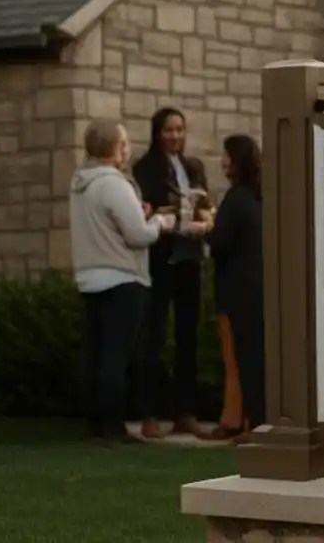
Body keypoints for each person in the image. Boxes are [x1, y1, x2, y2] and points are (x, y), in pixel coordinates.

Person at [70, 120, 175, 443]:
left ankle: (96, 423)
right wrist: (160, 221)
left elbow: (109, 224)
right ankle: (114, 428)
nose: (127, 147)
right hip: (122, 280)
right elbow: (138, 235)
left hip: (90, 278)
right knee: (116, 358)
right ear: (117, 148)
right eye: (125, 142)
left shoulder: (81, 184)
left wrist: (137, 213)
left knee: (96, 355)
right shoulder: (115, 184)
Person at [131, 107, 209, 438]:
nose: (175, 136)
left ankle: (185, 411)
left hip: (189, 257)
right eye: (168, 130)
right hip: (161, 259)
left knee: (187, 337)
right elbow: (144, 208)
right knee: (155, 335)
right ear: (157, 133)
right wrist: (174, 208)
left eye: (180, 130)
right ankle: (148, 412)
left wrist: (203, 210)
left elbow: (204, 204)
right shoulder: (145, 168)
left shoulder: (193, 167)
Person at [199, 134, 266, 444]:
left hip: (236, 290)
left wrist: (204, 229)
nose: (222, 162)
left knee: (239, 357)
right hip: (256, 287)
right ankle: (238, 418)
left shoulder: (236, 197)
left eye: (226, 156)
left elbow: (220, 242)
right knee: (249, 356)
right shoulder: (259, 196)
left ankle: (248, 422)